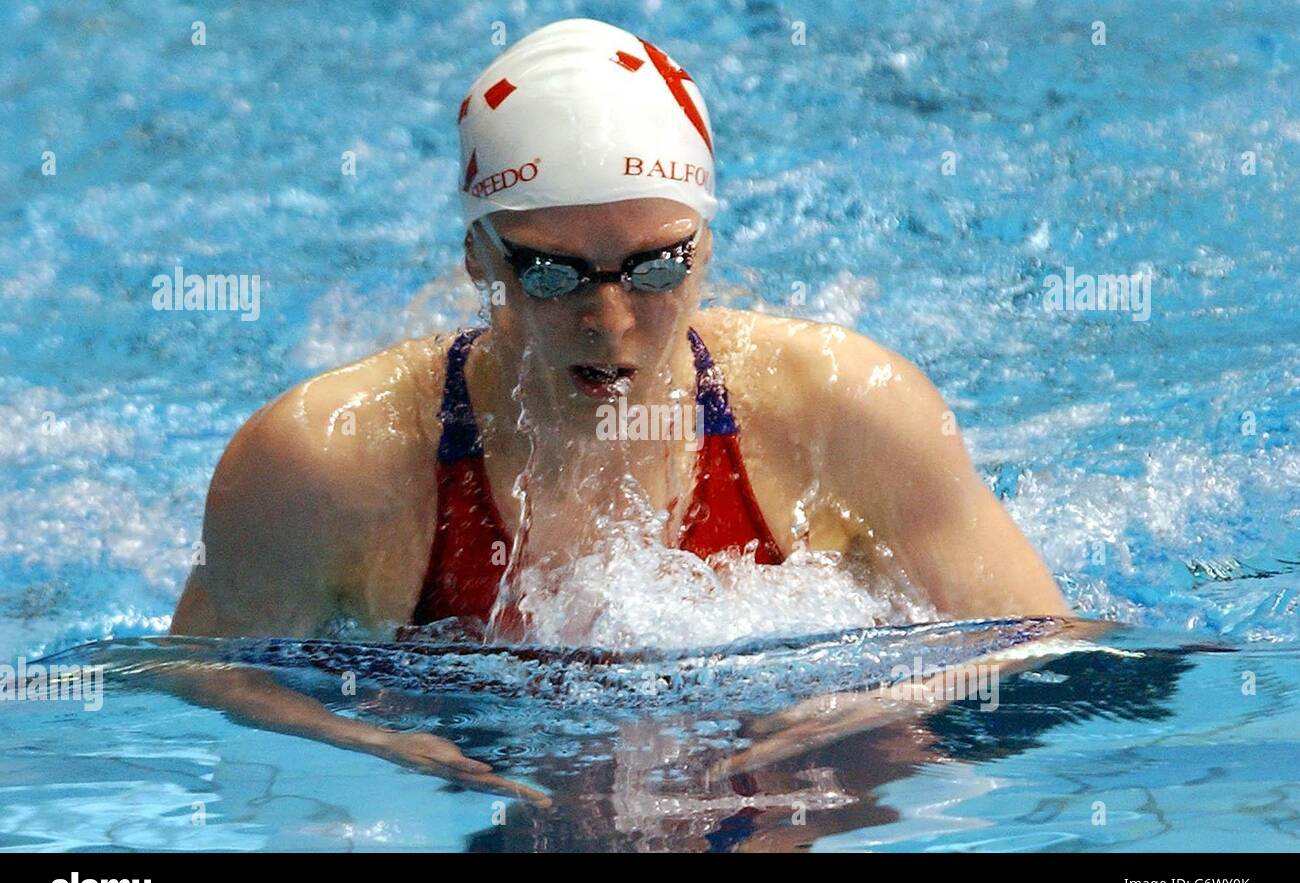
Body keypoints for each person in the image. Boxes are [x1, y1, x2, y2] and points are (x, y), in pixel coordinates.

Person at [166, 18, 1071, 804]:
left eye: (658, 266)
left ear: (709, 244)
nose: (611, 322)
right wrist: (371, 747)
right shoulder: (324, 462)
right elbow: (204, 679)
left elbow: (1053, 647)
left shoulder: (849, 409)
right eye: (551, 273)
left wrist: (885, 701)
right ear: (478, 257)